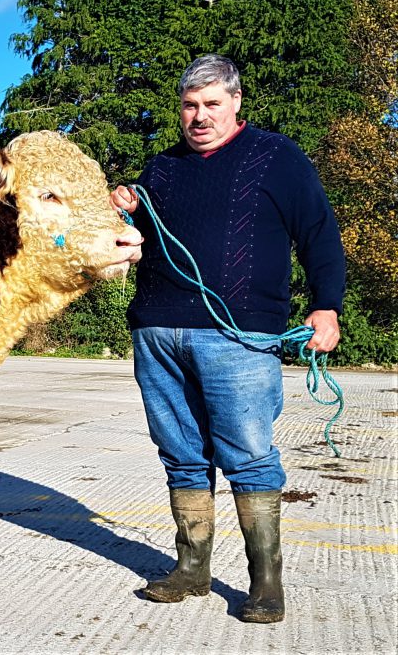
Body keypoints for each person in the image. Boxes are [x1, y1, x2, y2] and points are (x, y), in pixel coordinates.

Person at [110, 54, 345, 624]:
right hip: (158, 331)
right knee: (182, 455)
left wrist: (326, 307)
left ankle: (265, 583)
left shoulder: (276, 156)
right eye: (190, 105)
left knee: (249, 456)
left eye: (212, 104)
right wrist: (123, 212)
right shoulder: (160, 169)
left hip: (238, 336)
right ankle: (191, 569)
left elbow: (318, 231)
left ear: (236, 103)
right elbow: (134, 239)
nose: (200, 116)